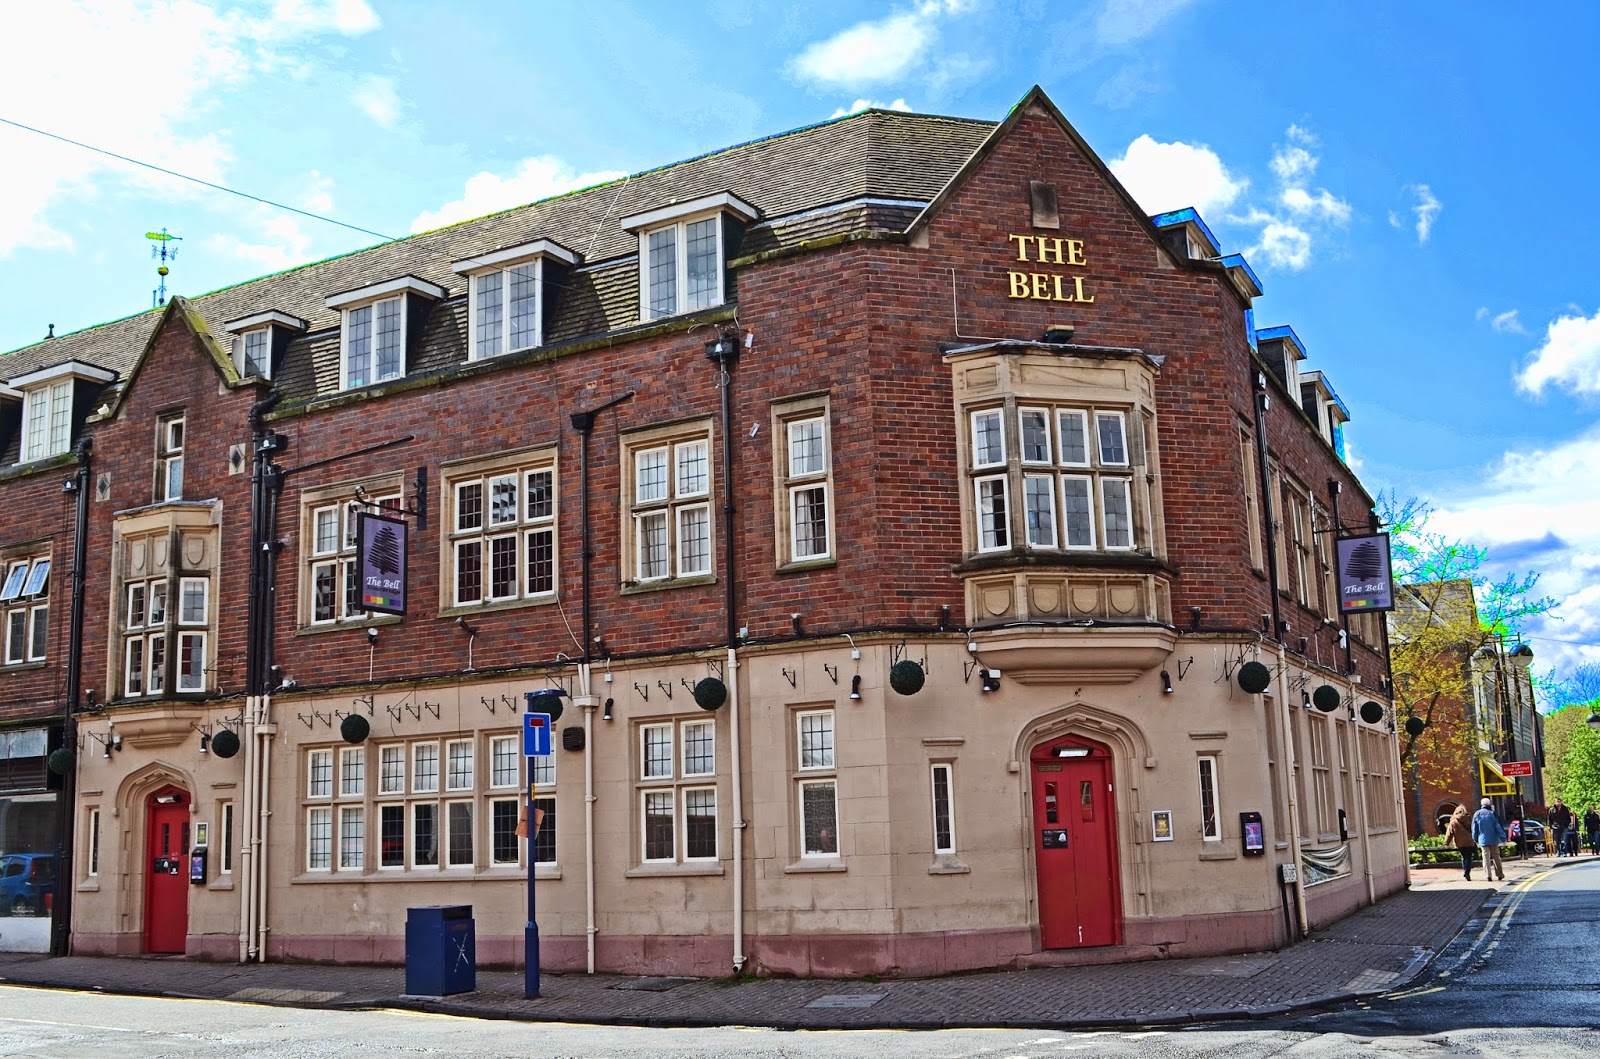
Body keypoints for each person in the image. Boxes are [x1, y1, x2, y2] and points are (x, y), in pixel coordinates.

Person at [1473, 798, 1509, 881]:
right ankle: (1500, 874)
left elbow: (1475, 829)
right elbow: (1498, 827)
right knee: (1496, 857)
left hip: (1482, 839)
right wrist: (1503, 838)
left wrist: (1475, 839)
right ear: (1489, 804)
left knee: (1485, 857)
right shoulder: (1493, 813)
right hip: (1494, 839)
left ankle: (1488, 875)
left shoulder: (1477, 814)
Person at [1443, 803, 1476, 880]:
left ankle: (1465, 871)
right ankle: (1467, 872)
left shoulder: (1453, 821)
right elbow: (1473, 829)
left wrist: (1446, 843)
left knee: (1463, 857)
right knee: (1468, 858)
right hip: (1469, 841)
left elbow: (1449, 833)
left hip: (1459, 842)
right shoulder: (1468, 818)